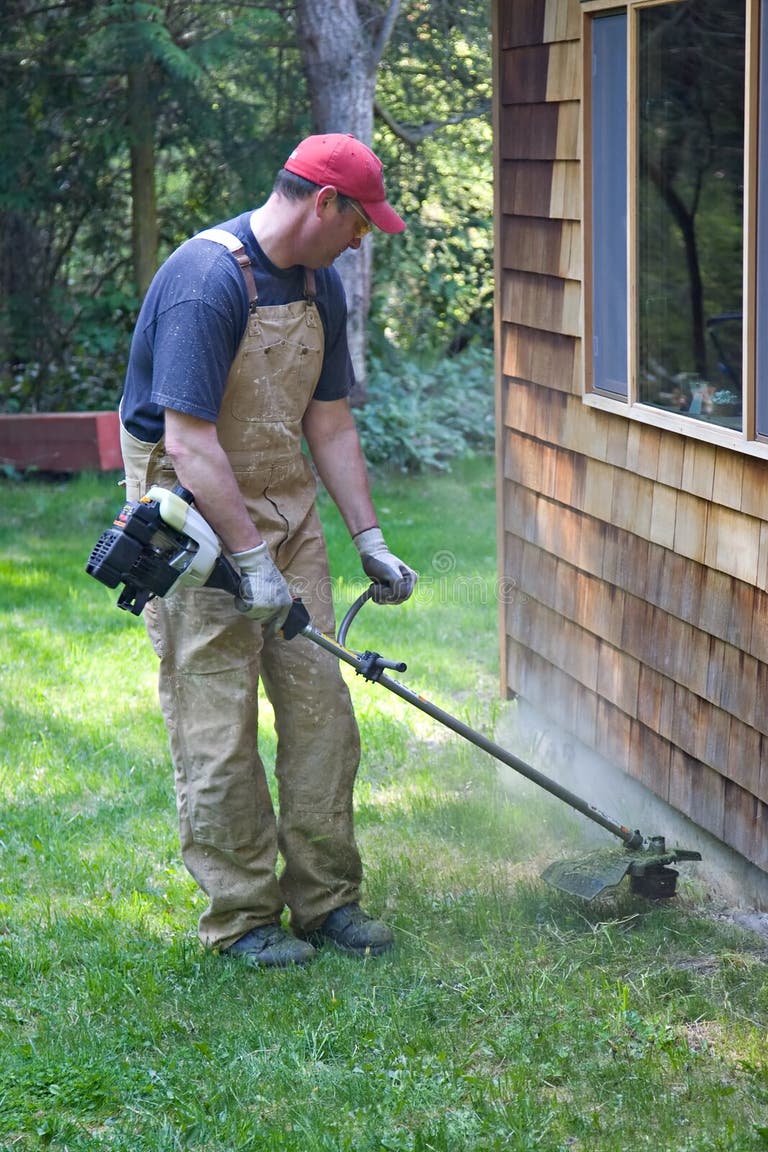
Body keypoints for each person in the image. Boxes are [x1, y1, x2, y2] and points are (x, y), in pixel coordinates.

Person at [119, 133, 417, 968]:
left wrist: (370, 538)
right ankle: (242, 917)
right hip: (192, 527)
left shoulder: (322, 286)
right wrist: (247, 564)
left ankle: (326, 902)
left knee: (323, 714)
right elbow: (191, 442)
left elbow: (327, 418)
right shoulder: (205, 281)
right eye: (360, 223)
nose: (364, 240)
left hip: (286, 515)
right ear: (325, 202)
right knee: (218, 728)